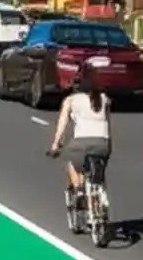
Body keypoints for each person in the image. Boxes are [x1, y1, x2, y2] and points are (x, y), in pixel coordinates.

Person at [47, 57, 112, 209]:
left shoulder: (71, 100)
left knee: (72, 162)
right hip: (103, 143)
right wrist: (108, 147)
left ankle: (79, 190)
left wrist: (55, 144)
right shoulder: (104, 99)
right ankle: (97, 200)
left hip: (81, 143)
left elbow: (62, 124)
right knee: (97, 176)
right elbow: (108, 124)